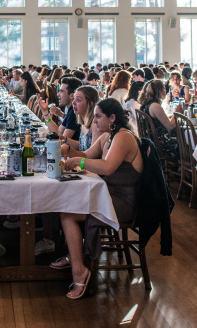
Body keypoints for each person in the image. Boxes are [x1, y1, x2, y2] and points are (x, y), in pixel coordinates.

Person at [53, 98, 143, 299]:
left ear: (112, 117)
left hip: (124, 202)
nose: (94, 122)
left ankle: (80, 271)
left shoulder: (123, 137)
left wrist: (80, 162)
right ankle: (73, 254)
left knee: (68, 215)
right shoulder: (108, 137)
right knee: (66, 204)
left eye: (98, 117)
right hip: (107, 194)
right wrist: (68, 149)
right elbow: (87, 154)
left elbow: (107, 167)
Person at [137, 79, 180, 164]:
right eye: (164, 89)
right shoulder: (155, 106)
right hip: (160, 144)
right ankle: (187, 170)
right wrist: (177, 113)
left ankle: (181, 169)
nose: (165, 91)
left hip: (150, 141)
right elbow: (170, 126)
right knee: (186, 143)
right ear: (160, 91)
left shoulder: (145, 105)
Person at [38, 76, 83, 143]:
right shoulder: (71, 109)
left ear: (72, 96)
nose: (58, 94)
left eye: (61, 91)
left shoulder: (75, 112)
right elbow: (58, 132)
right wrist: (45, 112)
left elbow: (62, 141)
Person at [69, 86, 99, 152]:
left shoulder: (95, 124)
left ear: (91, 104)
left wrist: (70, 152)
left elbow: (93, 154)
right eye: (74, 99)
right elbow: (82, 146)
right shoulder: (84, 122)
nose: (73, 102)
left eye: (78, 100)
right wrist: (65, 139)